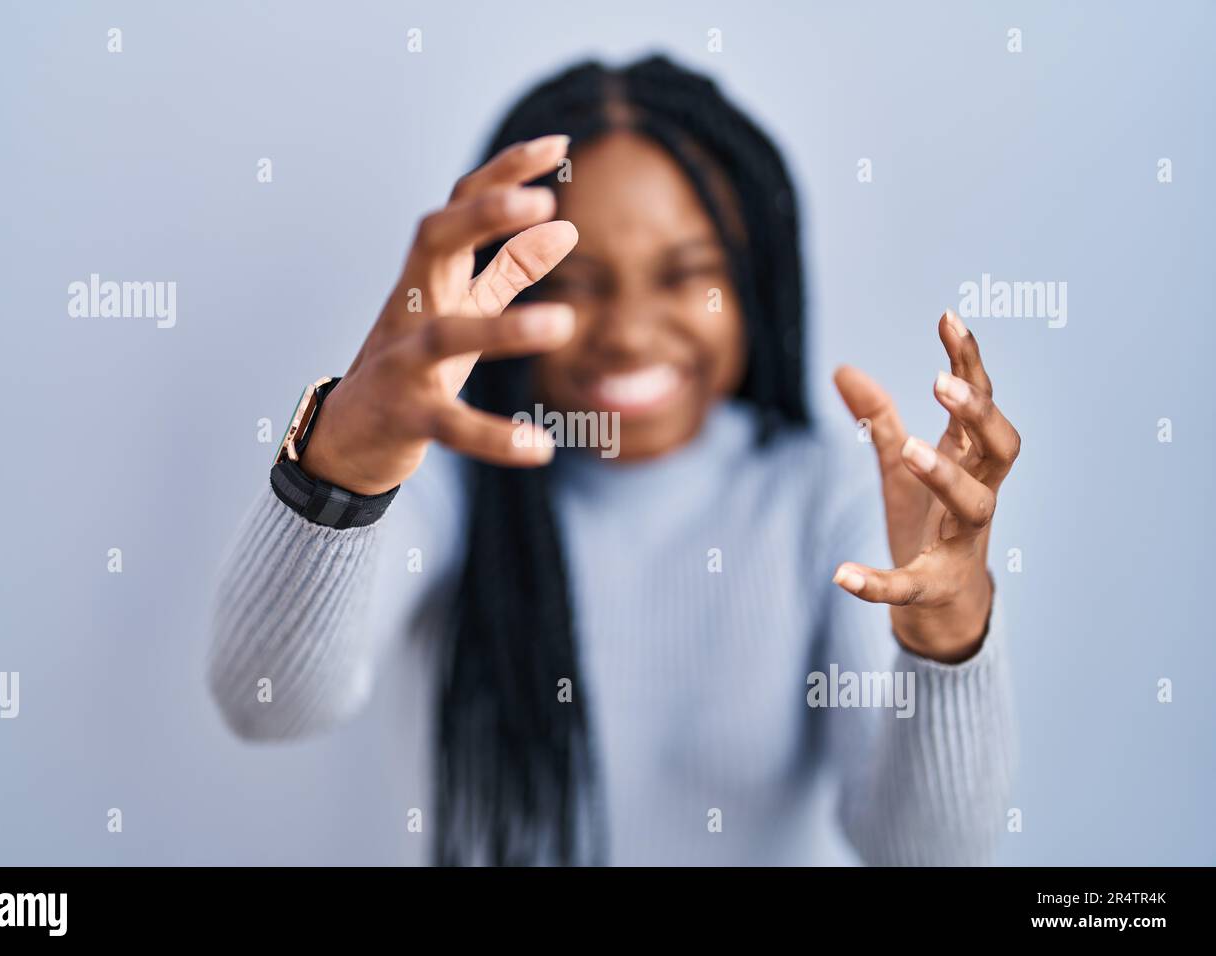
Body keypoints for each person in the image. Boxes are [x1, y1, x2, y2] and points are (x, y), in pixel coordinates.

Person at [208, 55, 1020, 866]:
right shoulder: (445, 478)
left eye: (687, 277)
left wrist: (946, 638)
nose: (630, 331)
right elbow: (266, 705)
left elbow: (928, 856)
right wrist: (342, 470)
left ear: (755, 283)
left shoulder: (823, 497)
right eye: (575, 281)